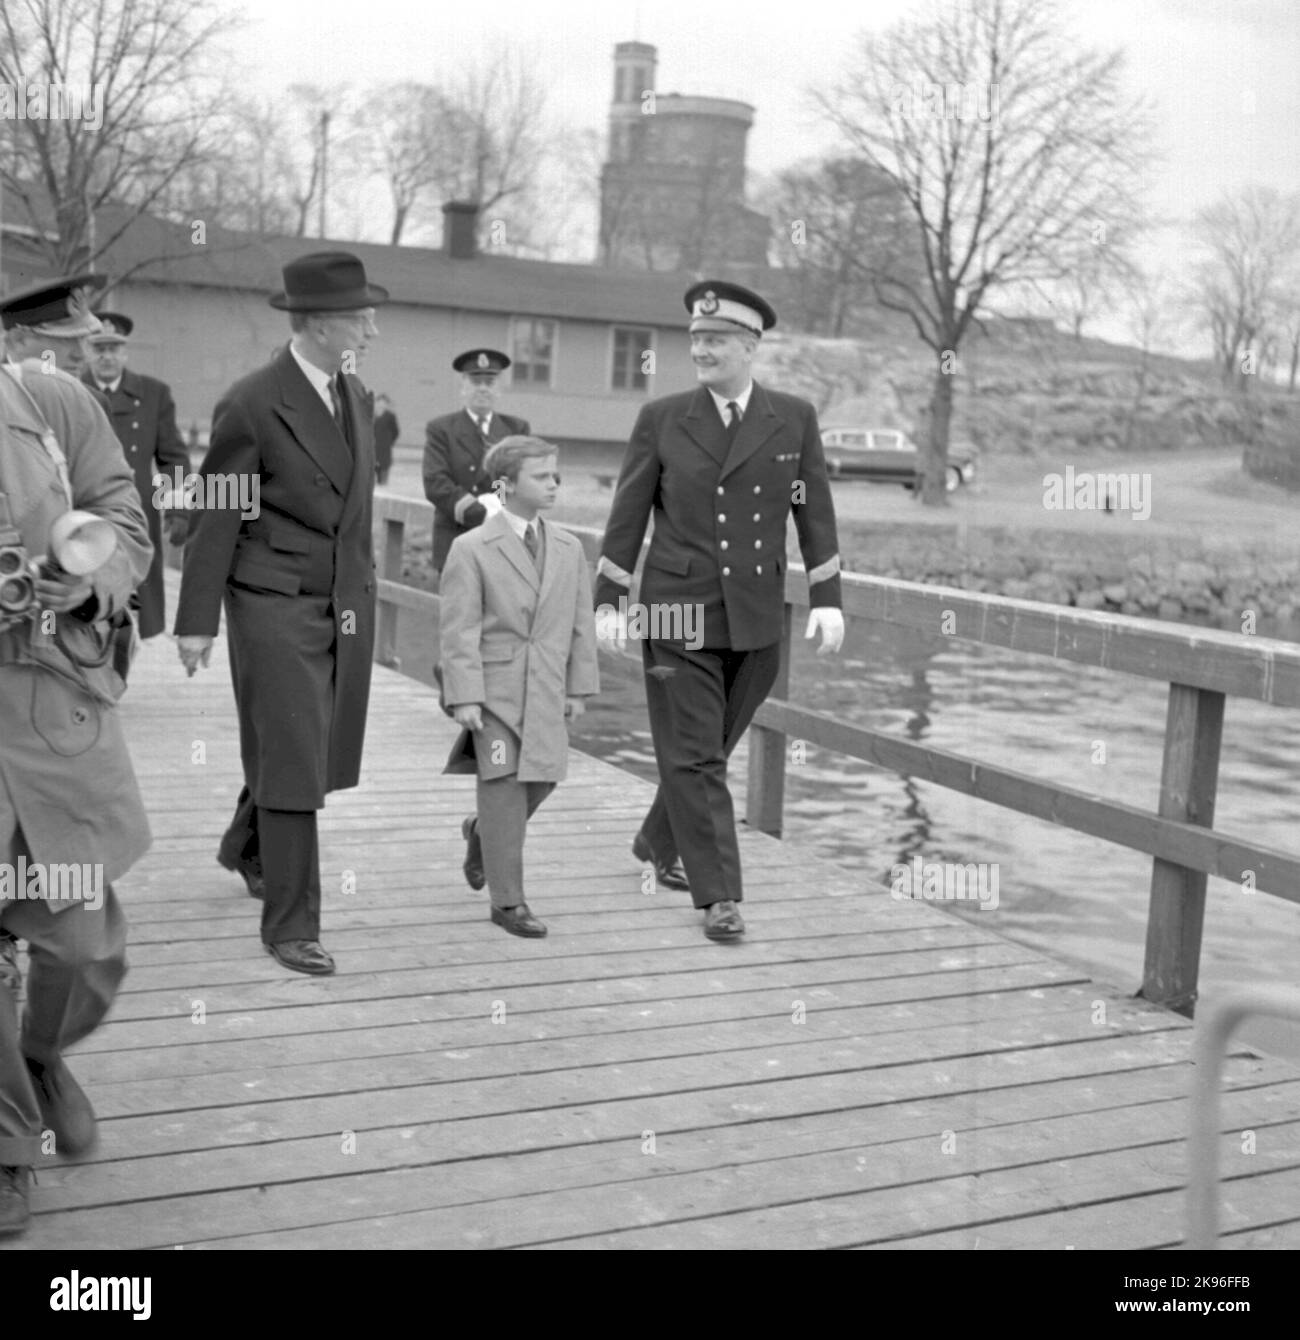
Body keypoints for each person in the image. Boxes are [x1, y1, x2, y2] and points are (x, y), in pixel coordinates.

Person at [593, 280, 845, 943]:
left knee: (704, 750)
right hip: (676, 613)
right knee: (699, 757)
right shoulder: (663, 418)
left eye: (715, 340)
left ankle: (656, 838)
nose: (700, 350)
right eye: (695, 339)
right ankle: (720, 898)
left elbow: (812, 510)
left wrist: (827, 597)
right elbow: (628, 514)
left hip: (756, 614)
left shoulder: (792, 417)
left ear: (750, 345)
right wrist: (610, 597)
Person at [174, 251, 385, 976]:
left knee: (308, 745)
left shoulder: (352, 393)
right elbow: (216, 515)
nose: (374, 327)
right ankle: (291, 924)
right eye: (363, 316)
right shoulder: (254, 400)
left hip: (342, 604)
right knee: (294, 751)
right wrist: (197, 619)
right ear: (323, 325)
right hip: (272, 602)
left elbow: (356, 512)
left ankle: (244, 845)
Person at [0, 276, 153, 1237]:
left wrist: (87, 588)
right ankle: (12, 1149)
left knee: (80, 946)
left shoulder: (48, 399)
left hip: (50, 707)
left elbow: (123, 519)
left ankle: (42, 1052)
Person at [438, 437, 599, 938]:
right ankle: (508, 903)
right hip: (495, 694)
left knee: (543, 777)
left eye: (556, 474)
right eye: (542, 476)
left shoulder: (570, 548)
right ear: (505, 486)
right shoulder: (470, 549)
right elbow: (458, 628)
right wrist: (464, 695)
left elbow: (580, 624)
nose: (554, 483)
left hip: (547, 686)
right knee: (504, 785)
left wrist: (579, 688)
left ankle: (483, 833)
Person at [82, 311, 192, 639]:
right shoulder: (71, 389)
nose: (106, 356)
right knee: (87, 598)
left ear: (125, 352)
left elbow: (173, 457)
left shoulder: (153, 394)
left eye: (113, 348)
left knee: (137, 604)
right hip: (86, 510)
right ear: (88, 351)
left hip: (137, 514)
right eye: (99, 348)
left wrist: (178, 508)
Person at [422, 349, 530, 581]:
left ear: (498, 389)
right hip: (456, 536)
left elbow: (512, 477)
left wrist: (497, 504)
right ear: (463, 387)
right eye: (475, 381)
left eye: (489, 382)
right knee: (458, 614)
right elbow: (435, 482)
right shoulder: (442, 429)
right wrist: (480, 513)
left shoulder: (515, 430)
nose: (483, 388)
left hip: (502, 539)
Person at [373, 393, 399, 485]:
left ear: (386, 404)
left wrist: (389, 442)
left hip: (384, 446)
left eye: (384, 403)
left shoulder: (390, 416)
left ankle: (383, 483)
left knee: (384, 466)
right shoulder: (372, 415)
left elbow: (395, 431)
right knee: (373, 465)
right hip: (373, 445)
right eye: (379, 402)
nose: (381, 405)